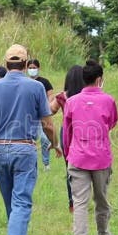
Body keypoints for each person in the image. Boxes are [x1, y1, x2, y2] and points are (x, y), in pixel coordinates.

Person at [0, 44, 61, 235]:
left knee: (12, 205)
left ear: (6, 64)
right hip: (24, 149)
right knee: (22, 202)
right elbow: (47, 123)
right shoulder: (35, 87)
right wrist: (55, 144)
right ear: (26, 65)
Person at [63, 60, 118, 235]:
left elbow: (67, 132)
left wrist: (67, 154)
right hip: (101, 158)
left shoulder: (71, 102)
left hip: (77, 157)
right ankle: (103, 234)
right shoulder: (108, 100)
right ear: (99, 79)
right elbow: (111, 122)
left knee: (79, 200)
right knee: (101, 199)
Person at [49, 65, 85, 213]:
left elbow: (49, 110)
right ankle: (84, 197)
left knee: (70, 168)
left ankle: (72, 203)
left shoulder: (62, 97)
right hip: (84, 131)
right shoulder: (86, 95)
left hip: (67, 134)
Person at [27, 58, 54, 170]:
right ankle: (30, 164)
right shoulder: (25, 82)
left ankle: (46, 163)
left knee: (44, 139)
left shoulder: (45, 82)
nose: (32, 70)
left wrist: (46, 109)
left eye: (34, 68)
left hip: (42, 115)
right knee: (30, 140)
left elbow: (51, 97)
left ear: (38, 68)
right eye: (30, 68)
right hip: (29, 116)